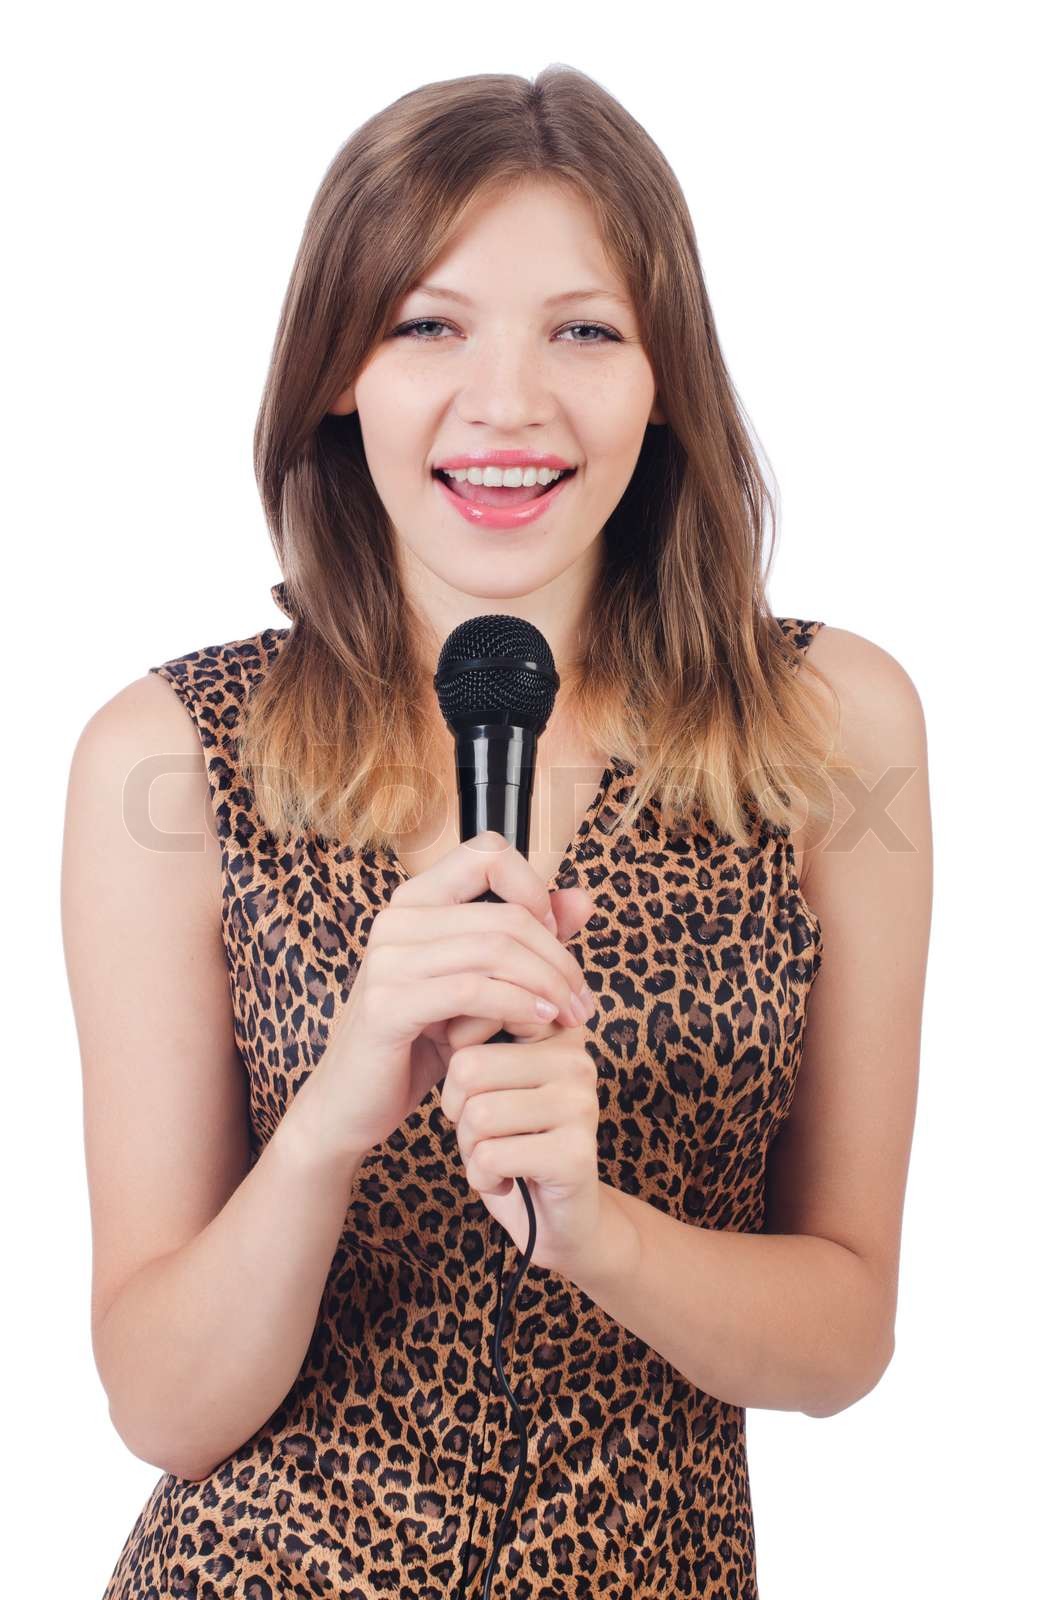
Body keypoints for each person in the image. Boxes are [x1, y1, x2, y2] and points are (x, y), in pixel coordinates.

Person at [61, 65, 932, 1600]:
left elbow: (843, 1337)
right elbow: (162, 1402)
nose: (510, 403)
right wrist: (335, 1116)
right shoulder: (174, 759)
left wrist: (600, 1233)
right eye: (427, 325)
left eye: (585, 330)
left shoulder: (827, 729)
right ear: (341, 370)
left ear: (667, 377)